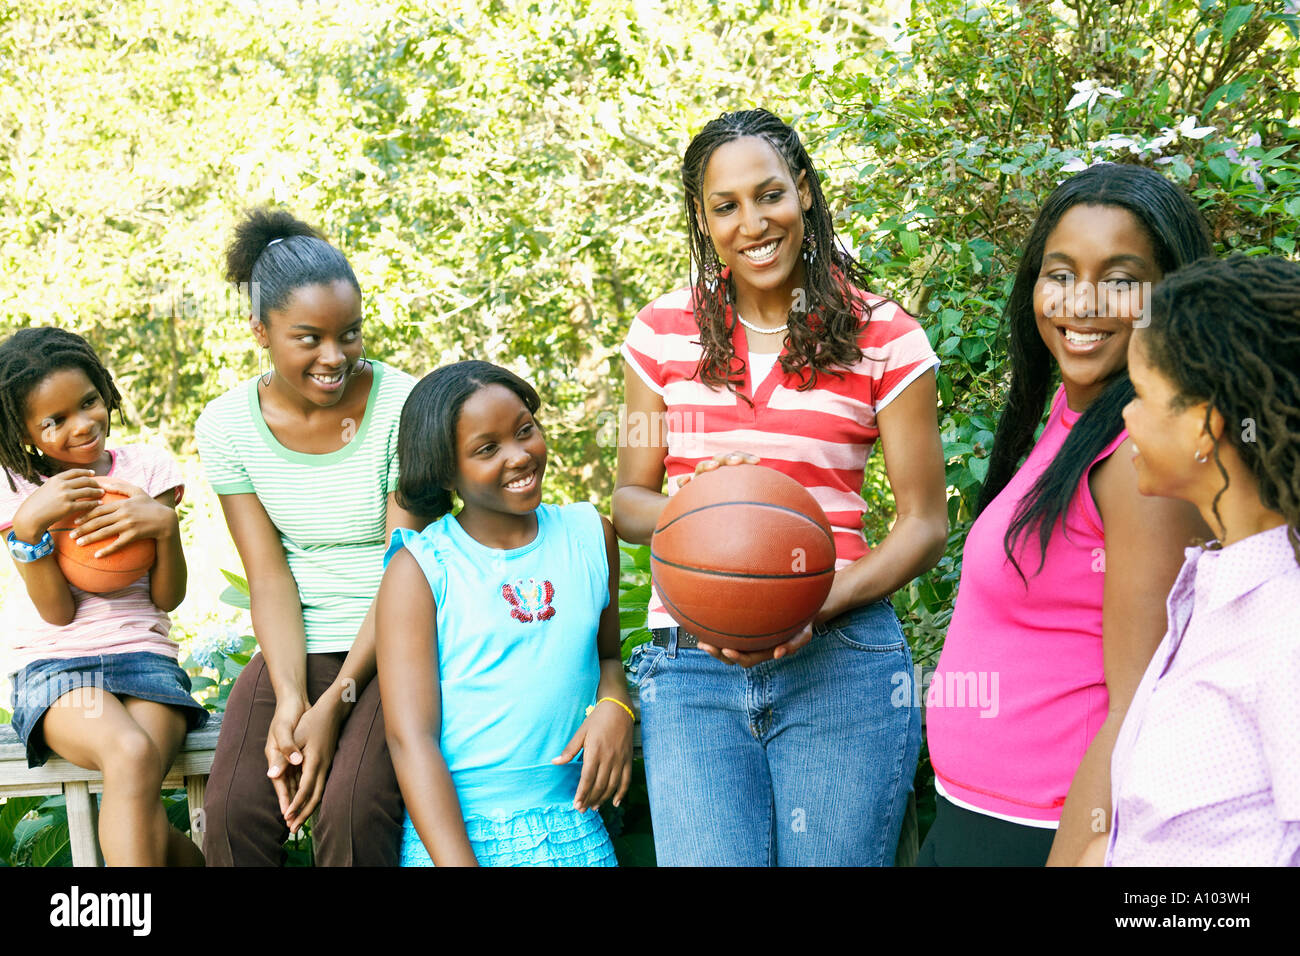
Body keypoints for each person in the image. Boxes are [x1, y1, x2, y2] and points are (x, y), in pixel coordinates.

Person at [613, 108, 948, 866]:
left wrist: (808, 600)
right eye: (725, 206)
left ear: (802, 189)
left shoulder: (885, 335)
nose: (752, 222)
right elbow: (630, 502)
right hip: (691, 662)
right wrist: (704, 516)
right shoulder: (660, 332)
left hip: (841, 658)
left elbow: (925, 523)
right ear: (702, 218)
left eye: (769, 195)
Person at [919, 163, 1213, 867]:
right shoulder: (1069, 418)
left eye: (1119, 278)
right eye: (1060, 273)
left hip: (1046, 836)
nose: (1082, 303)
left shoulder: (1138, 462)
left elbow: (1140, 702)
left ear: (1167, 294)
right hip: (972, 818)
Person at [194, 209, 422, 866]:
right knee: (234, 816)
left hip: (393, 643)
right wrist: (292, 697)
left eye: (349, 335)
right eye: (309, 338)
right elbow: (267, 575)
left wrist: (338, 701)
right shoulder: (227, 427)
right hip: (296, 643)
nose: (335, 357)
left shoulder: (405, 406)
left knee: (351, 814)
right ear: (260, 331)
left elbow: (403, 570)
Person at [376, 361, 632, 866]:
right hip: (456, 840)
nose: (520, 456)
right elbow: (411, 740)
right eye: (487, 448)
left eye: (525, 431)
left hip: (574, 827)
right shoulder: (420, 568)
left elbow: (607, 660)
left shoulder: (590, 536)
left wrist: (615, 708)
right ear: (445, 468)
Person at [1097, 254, 1299, 866]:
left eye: (1140, 393)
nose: (1125, 415)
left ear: (1207, 427)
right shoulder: (1211, 588)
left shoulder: (1284, 628)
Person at [1, 327, 206, 866]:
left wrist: (165, 528)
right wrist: (28, 528)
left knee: (136, 786)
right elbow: (57, 612)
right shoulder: (20, 489)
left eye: (89, 401)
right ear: (25, 432)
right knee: (130, 752)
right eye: (55, 420)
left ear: (105, 389)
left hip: (146, 662)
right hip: (56, 669)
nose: (82, 424)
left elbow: (167, 598)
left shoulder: (148, 470)